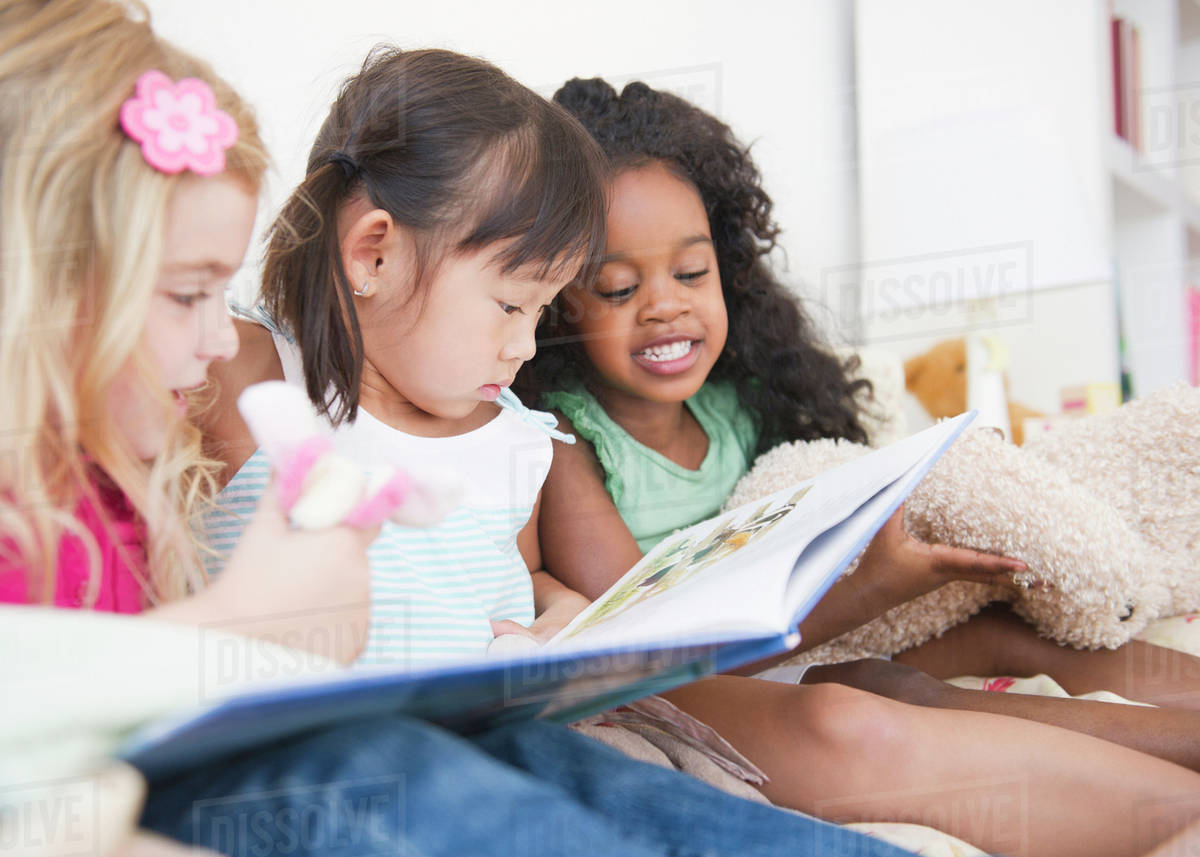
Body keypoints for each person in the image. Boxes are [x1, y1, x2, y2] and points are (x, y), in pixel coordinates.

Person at [0, 5, 930, 857]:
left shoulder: (123, 485)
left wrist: (561, 627)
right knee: (394, 767)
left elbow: (527, 583)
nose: (212, 333)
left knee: (603, 779)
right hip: (304, 765)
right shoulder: (228, 385)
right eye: (184, 293)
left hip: (451, 731)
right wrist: (247, 626)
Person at [512, 76, 1200, 857]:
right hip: (693, 675)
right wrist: (881, 583)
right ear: (561, 301)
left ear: (726, 269)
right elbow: (664, 643)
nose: (665, 305)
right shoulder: (566, 435)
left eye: (692, 273)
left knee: (1008, 628)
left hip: (802, 638)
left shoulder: (741, 405)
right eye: (620, 287)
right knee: (867, 703)